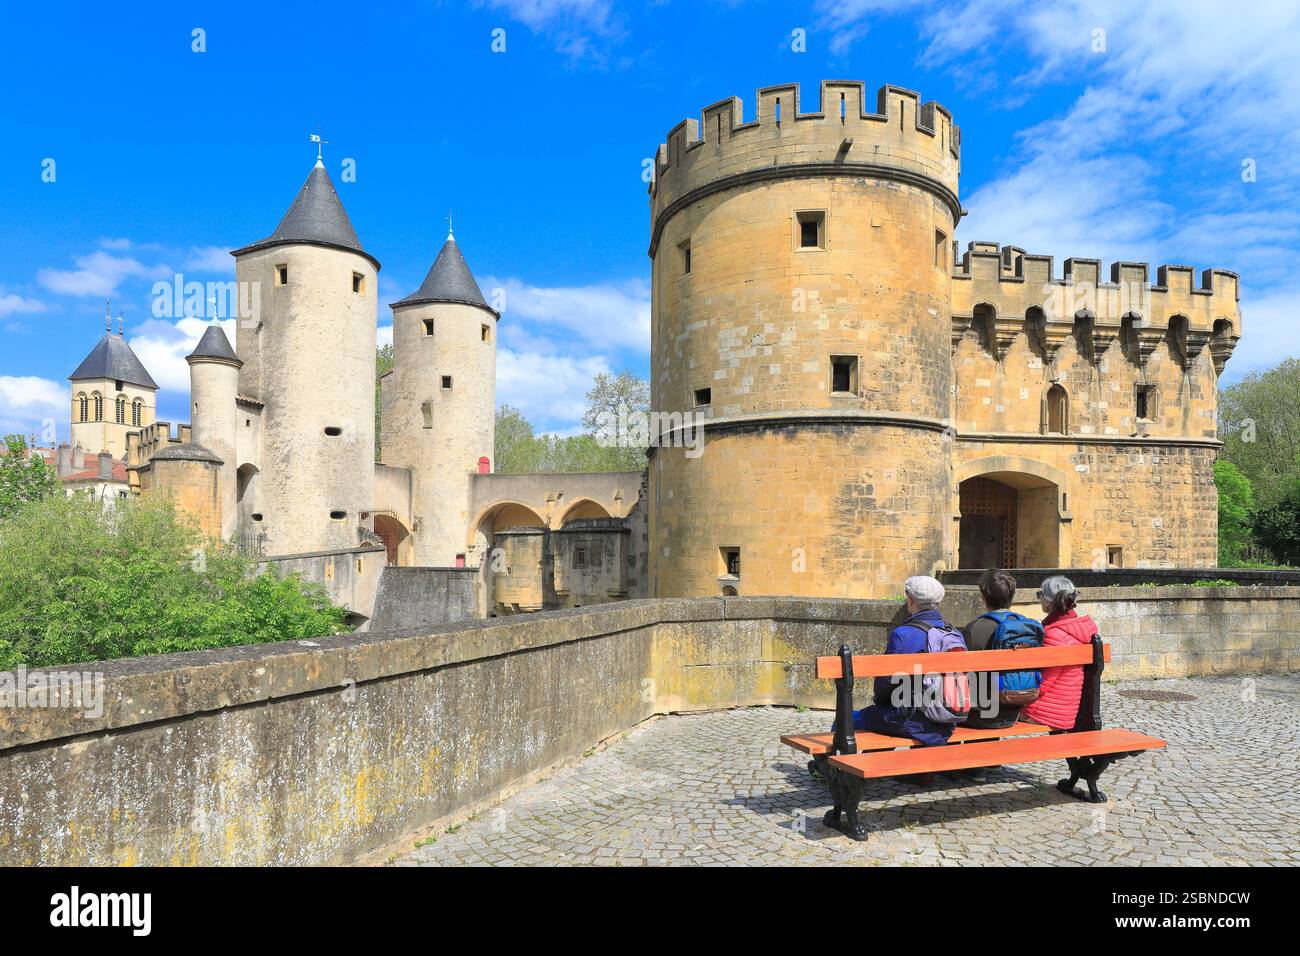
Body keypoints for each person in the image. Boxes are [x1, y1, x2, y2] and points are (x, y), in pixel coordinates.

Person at [838, 575, 961, 750]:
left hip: (914, 720)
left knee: (845, 720)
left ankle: (837, 768)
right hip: (947, 718)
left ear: (910, 600)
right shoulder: (953, 633)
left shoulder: (903, 635)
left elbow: (884, 684)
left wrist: (882, 704)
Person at [963, 568, 1042, 730]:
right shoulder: (1028, 626)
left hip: (980, 713)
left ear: (984, 597)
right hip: (1015, 708)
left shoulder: (974, 629)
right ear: (1012, 596)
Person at [1021, 576, 1097, 731]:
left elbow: (1045, 682)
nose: (1040, 598)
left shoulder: (1055, 633)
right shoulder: (1082, 629)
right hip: (1068, 708)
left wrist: (1021, 698)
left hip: (1047, 713)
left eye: (1040, 595)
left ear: (1049, 601)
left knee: (1000, 711)